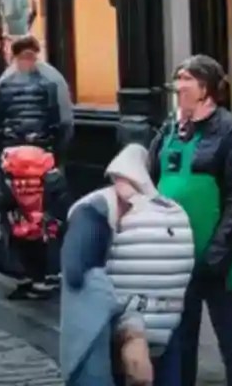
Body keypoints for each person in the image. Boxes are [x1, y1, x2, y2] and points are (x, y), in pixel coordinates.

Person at [147, 55, 232, 386]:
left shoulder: (231, 130)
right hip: (176, 262)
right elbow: (149, 177)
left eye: (186, 79)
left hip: (219, 261)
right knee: (181, 346)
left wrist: (217, 253)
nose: (178, 85)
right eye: (177, 78)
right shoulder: (169, 128)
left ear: (206, 88)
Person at [61, 143, 193, 386]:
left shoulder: (97, 206)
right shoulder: (177, 213)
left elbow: (75, 271)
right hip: (168, 324)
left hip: (127, 327)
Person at [0, 35, 66, 299]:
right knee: (43, 217)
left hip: (12, 159)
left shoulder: (2, 85)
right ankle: (45, 274)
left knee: (14, 216)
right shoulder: (49, 83)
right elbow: (61, 122)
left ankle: (21, 273)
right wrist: (53, 150)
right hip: (42, 158)